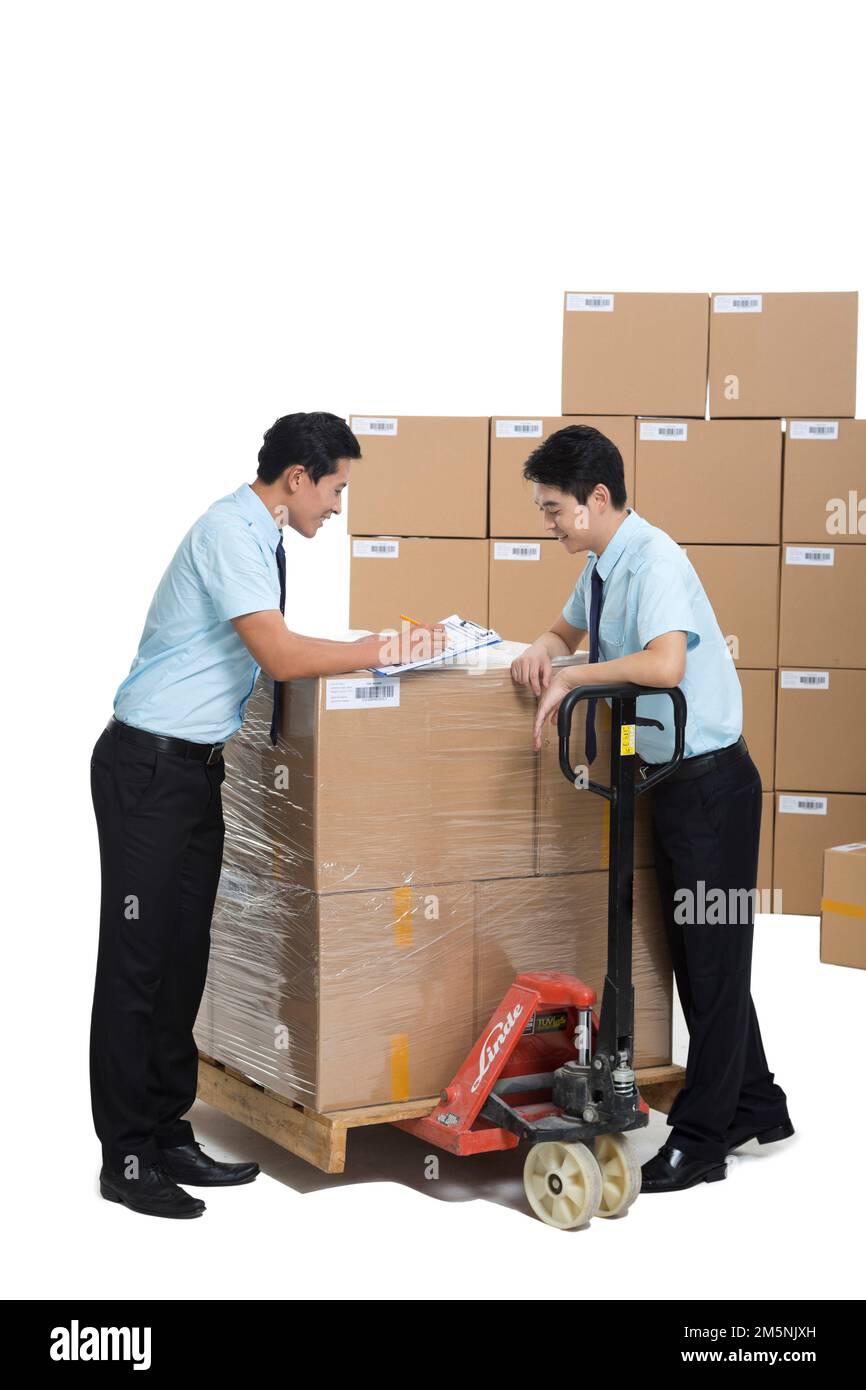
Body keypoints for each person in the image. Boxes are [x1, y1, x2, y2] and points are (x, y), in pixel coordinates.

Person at [90, 411, 445, 1218]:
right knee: (136, 963)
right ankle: (125, 1157)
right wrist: (385, 649)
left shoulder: (266, 537)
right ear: (296, 479)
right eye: (336, 488)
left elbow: (276, 651)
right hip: (147, 769)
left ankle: (166, 1128)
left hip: (195, 772)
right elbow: (280, 654)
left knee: (185, 956)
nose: (338, 507)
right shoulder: (230, 532)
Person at [510, 424, 793, 1193]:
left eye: (555, 509)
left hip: (710, 785)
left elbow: (666, 664)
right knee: (700, 952)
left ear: (598, 499)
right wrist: (544, 648)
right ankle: (756, 1102)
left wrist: (573, 679)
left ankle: (702, 1141)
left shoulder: (655, 558)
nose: (550, 523)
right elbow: (563, 628)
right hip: (664, 780)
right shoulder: (603, 563)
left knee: (714, 954)